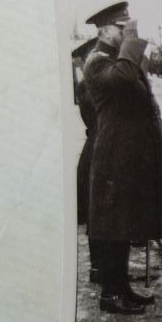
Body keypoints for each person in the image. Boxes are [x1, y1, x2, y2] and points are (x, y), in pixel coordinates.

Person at [83, 1, 162, 314]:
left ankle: (121, 288)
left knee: (122, 223)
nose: (127, 33)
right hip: (113, 155)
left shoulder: (115, 60)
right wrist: (133, 41)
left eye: (127, 28)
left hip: (125, 155)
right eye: (122, 29)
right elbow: (123, 80)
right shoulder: (96, 61)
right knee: (112, 224)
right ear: (105, 29)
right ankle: (110, 294)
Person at [72, 37, 101, 282]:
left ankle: (100, 268)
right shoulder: (87, 86)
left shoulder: (85, 84)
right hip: (97, 146)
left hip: (93, 145)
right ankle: (99, 268)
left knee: (98, 210)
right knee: (98, 211)